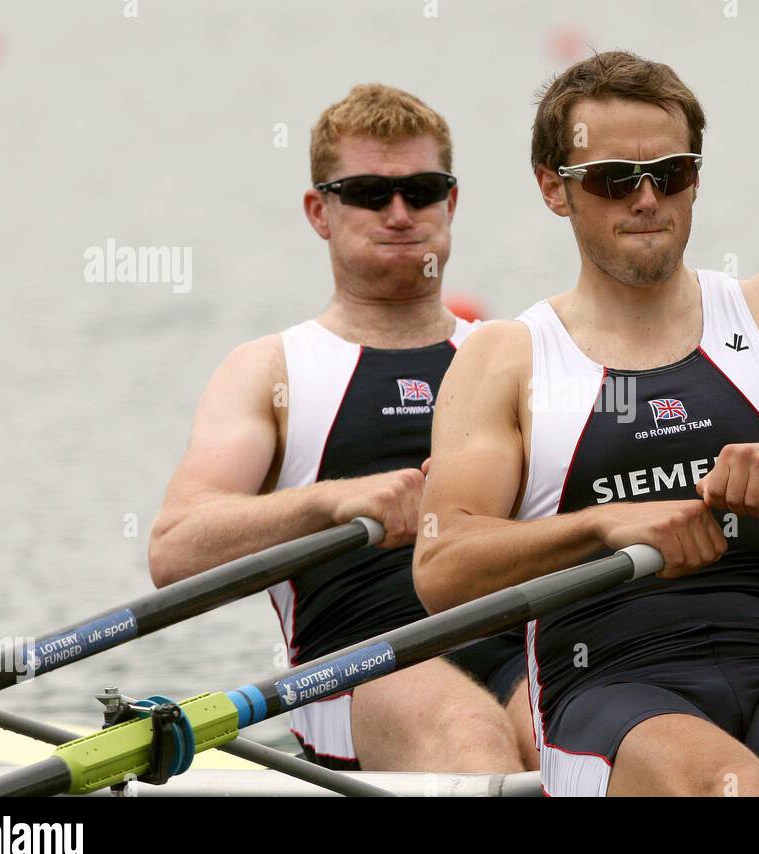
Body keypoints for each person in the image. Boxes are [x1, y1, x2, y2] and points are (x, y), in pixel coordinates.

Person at [413, 51, 759, 796]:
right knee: (728, 786)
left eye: (670, 173)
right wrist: (606, 526)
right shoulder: (505, 358)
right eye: (612, 180)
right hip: (605, 694)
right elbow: (441, 570)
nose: (645, 199)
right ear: (553, 189)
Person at [148, 84, 533, 772]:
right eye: (367, 192)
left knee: (589, 736)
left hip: (518, 637)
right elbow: (176, 551)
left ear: (451, 201)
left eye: (421, 189)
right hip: (356, 661)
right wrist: (332, 501)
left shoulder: (510, 356)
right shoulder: (273, 369)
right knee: (471, 738)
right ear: (319, 211)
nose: (398, 212)